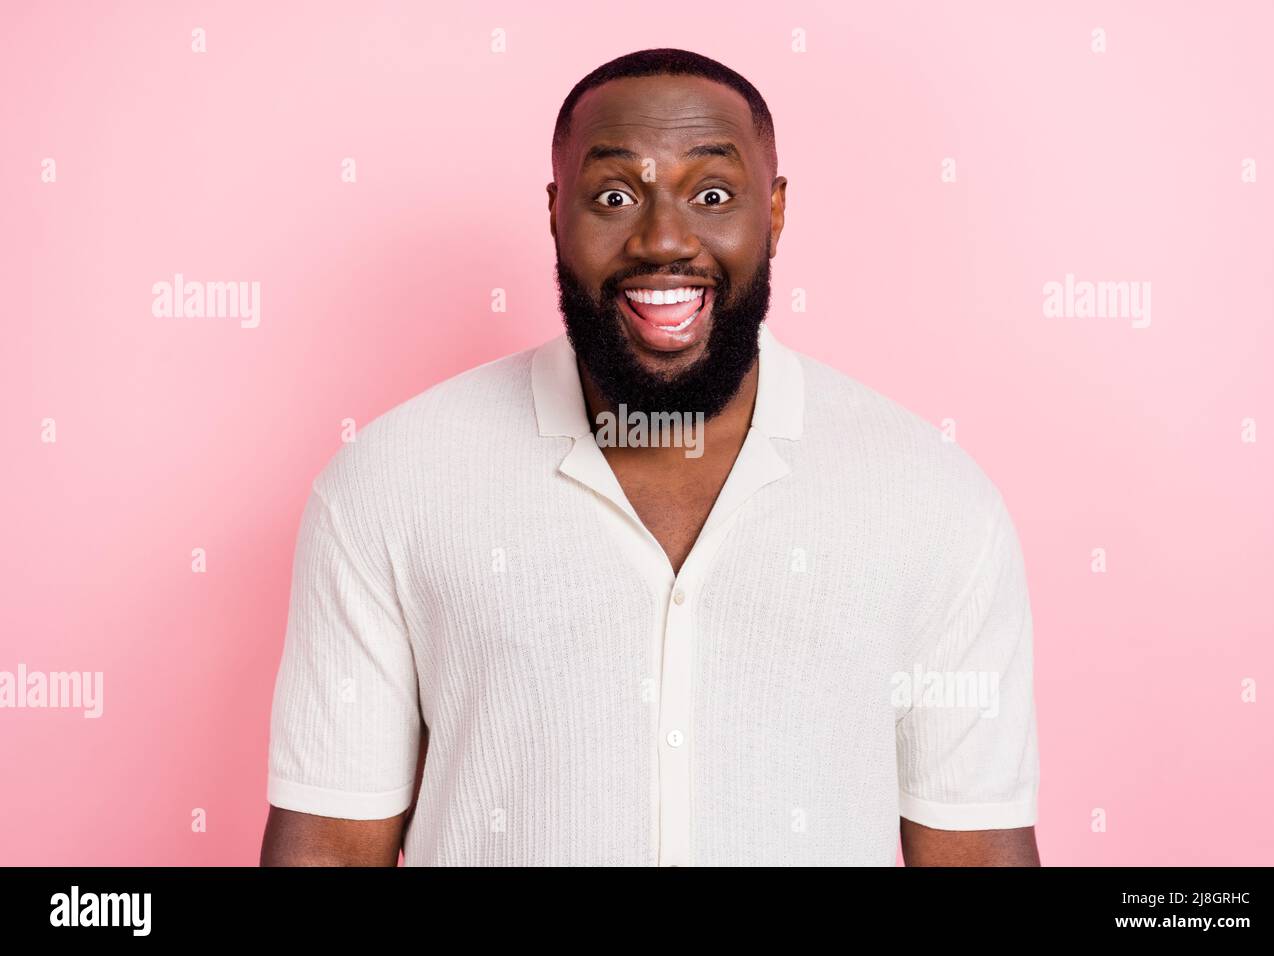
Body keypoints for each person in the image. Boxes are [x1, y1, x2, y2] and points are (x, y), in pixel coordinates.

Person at [260, 48, 1040, 866]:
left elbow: (977, 850)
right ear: (556, 213)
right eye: (615, 195)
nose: (663, 238)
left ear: (773, 213)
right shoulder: (390, 484)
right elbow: (331, 849)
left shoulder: (934, 500)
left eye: (711, 194)